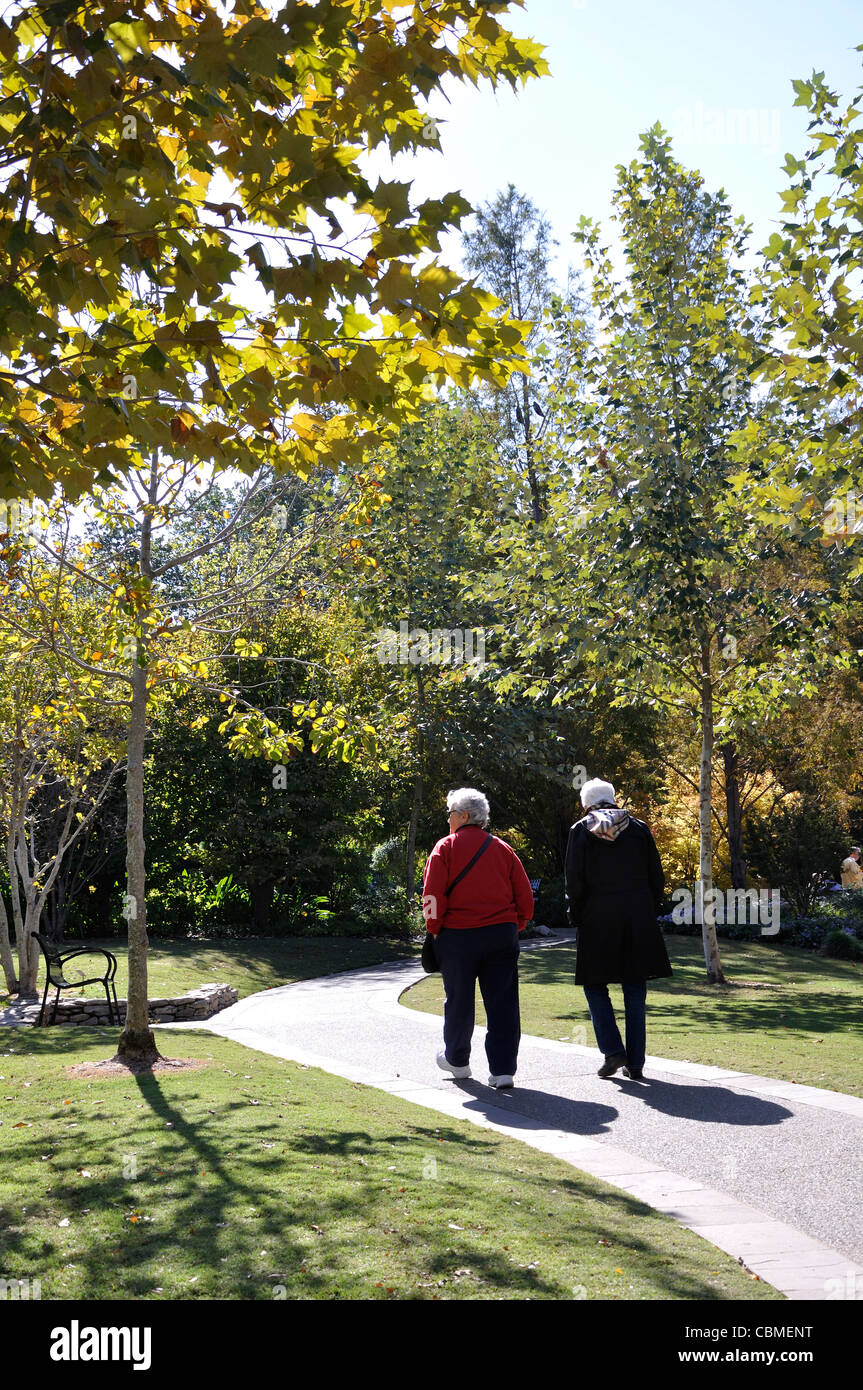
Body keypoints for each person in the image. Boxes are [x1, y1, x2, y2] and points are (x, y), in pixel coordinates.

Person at [422, 787, 535, 1089]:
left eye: (450, 814)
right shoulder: (502, 849)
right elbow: (524, 896)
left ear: (462, 815)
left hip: (457, 936)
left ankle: (458, 1060)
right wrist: (517, 923)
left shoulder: (445, 848)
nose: (448, 819)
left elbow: (432, 895)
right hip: (500, 934)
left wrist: (434, 928)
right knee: (503, 1002)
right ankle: (503, 1070)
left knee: (458, 999)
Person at [564, 777, 670, 1081]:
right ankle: (635, 1062)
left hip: (597, 918)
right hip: (637, 916)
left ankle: (613, 1051)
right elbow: (656, 876)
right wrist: (649, 907)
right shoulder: (638, 829)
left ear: (586, 804)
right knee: (635, 987)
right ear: (613, 798)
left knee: (595, 985)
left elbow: (574, 880)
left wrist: (576, 914)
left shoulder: (581, 831)